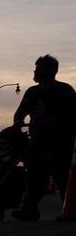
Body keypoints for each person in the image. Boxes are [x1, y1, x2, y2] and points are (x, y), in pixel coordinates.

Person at [11, 54, 76, 220]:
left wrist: (53, 122)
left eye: (38, 68)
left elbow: (73, 114)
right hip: (38, 143)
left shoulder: (65, 91)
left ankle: (68, 210)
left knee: (63, 177)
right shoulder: (32, 93)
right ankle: (30, 209)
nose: (35, 71)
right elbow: (20, 113)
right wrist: (18, 123)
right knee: (34, 177)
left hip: (61, 142)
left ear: (50, 71)